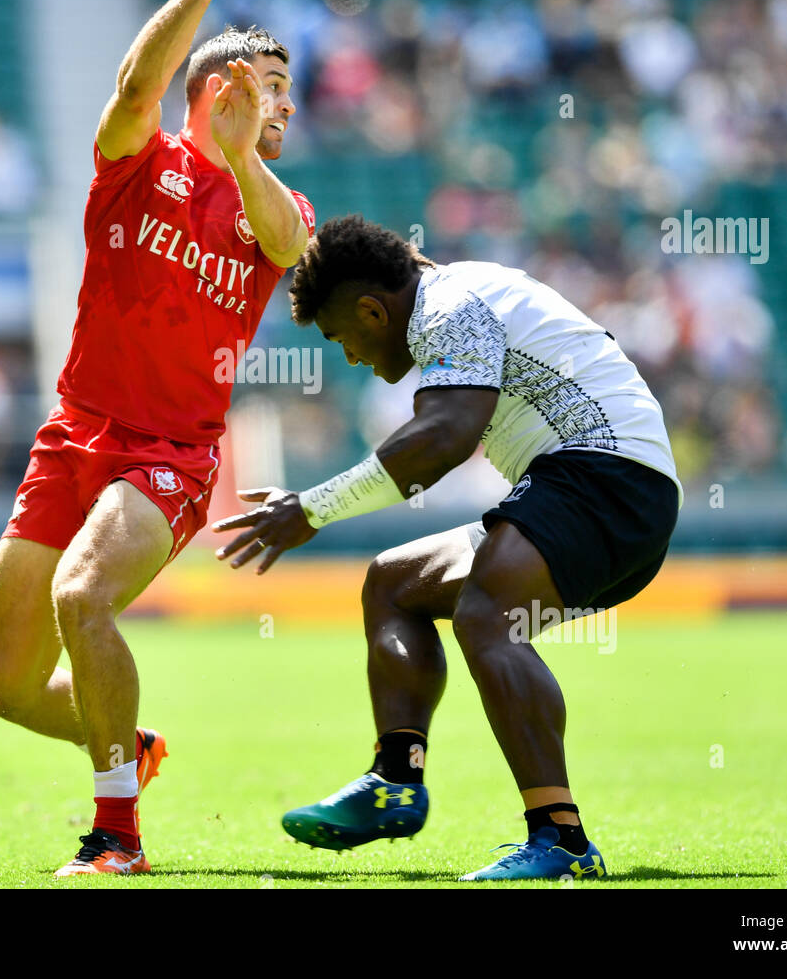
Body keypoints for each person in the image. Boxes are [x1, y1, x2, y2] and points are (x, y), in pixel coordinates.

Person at [0, 0, 314, 877]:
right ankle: (135, 746)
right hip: (72, 436)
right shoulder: (140, 158)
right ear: (216, 91)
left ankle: (115, 836)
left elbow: (290, 243)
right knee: (1, 686)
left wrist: (250, 155)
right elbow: (133, 92)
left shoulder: (268, 199)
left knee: (85, 598)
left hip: (167, 458)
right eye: (267, 88)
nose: (284, 106)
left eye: (291, 95)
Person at [214, 215, 681, 881]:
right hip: (608, 487)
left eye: (342, 337)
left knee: (486, 612)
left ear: (373, 309)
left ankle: (562, 840)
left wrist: (313, 509)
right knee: (393, 585)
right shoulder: (456, 292)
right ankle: (394, 783)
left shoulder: (448, 307)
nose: (351, 357)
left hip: (606, 480)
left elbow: (444, 438)